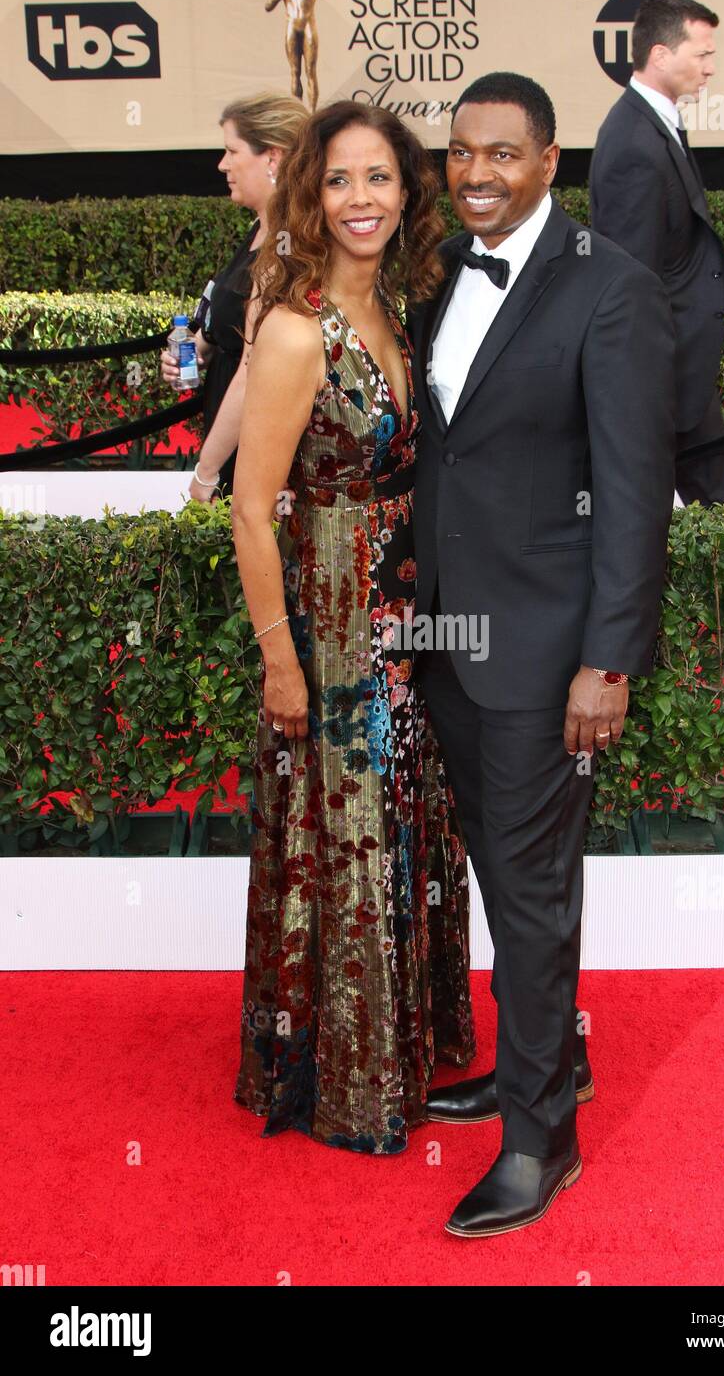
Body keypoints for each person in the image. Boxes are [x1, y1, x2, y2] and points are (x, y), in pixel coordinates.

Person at [406, 72, 676, 1237]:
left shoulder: (608, 289)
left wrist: (605, 663)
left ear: (549, 160)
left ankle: (539, 1141)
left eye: (502, 154)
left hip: (548, 657)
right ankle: (543, 1070)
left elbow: (632, 493)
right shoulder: (435, 279)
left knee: (528, 895)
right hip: (452, 644)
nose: (475, 173)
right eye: (460, 153)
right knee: (506, 883)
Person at [230, 101, 475, 1153]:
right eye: (338, 181)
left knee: (403, 817)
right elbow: (252, 508)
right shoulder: (293, 330)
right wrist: (282, 660)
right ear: (310, 196)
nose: (360, 200)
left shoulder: (404, 311)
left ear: (407, 191)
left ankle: (399, 1042)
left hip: (404, 610)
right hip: (330, 618)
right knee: (346, 823)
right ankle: (345, 1072)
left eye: (378, 178)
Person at [588, 0, 724, 509]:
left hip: (678, 372)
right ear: (661, 55)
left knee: (719, 513)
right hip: (661, 380)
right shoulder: (632, 142)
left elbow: (688, 234)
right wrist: (653, 384)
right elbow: (631, 278)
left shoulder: (654, 123)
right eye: (703, 55)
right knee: (716, 517)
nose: (712, 68)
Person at [160, 92, 308, 501]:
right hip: (238, 444)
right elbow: (233, 325)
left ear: (273, 158)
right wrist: (198, 349)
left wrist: (205, 474)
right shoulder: (261, 231)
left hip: (259, 457)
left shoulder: (285, 246)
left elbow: (254, 370)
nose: (222, 164)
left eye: (231, 150)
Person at [265, 0, 339, 112]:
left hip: (308, 27)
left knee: (310, 72)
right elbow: (268, 6)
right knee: (295, 73)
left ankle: (312, 113)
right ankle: (297, 113)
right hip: (292, 28)